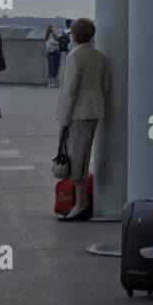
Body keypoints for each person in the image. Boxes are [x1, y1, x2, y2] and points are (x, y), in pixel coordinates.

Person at [56, 18, 110, 221]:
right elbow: (106, 86)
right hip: (93, 110)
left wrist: (63, 117)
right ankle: (80, 202)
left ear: (74, 35)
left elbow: (70, 91)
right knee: (83, 155)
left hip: (77, 113)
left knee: (75, 158)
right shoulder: (98, 56)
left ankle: (79, 204)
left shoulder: (74, 57)